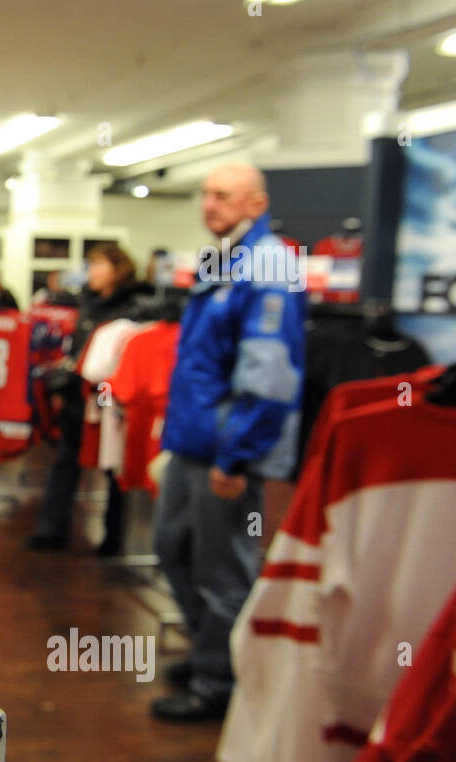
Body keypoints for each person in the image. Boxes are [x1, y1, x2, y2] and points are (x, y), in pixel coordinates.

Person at [150, 161, 305, 722]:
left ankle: (220, 681)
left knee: (223, 569)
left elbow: (270, 375)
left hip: (225, 451)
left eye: (222, 195)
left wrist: (237, 453)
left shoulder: (269, 265)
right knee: (172, 549)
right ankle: (210, 651)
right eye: (205, 193)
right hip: (191, 441)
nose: (208, 203)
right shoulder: (225, 259)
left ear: (255, 205)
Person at [27, 244, 151, 554]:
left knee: (112, 462)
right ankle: (51, 531)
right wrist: (63, 384)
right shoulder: (89, 304)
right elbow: (77, 349)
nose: (91, 272)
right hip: (78, 392)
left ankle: (112, 538)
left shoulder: (135, 306)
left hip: (109, 393)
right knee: (66, 459)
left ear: (116, 269)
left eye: (98, 265)